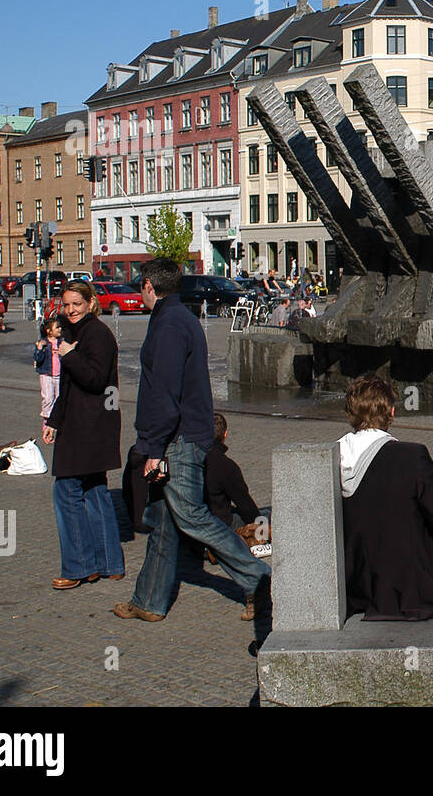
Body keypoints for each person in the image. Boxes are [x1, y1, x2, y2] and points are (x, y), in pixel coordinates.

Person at [114, 258, 271, 624]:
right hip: (183, 434)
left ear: (150, 285)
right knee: (165, 521)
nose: (140, 292)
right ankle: (149, 600)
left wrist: (153, 449)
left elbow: (165, 394)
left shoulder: (168, 324)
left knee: (192, 517)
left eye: (141, 286)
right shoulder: (181, 317)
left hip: (178, 439)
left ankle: (260, 580)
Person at [338, 376, 433, 620]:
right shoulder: (412, 455)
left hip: (357, 586)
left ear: (349, 413)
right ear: (392, 413)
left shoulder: (332, 456)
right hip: (411, 591)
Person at [42, 281, 125, 590]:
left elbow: (93, 379)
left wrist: (67, 354)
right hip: (85, 423)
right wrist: (54, 420)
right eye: (66, 304)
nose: (70, 310)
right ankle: (108, 564)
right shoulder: (79, 333)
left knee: (67, 491)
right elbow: (69, 387)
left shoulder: (97, 334)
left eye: (76, 303)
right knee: (94, 490)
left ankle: (79, 567)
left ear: (91, 303)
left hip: (90, 426)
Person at [204, 412, 262, 533]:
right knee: (268, 514)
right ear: (225, 434)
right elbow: (245, 504)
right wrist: (261, 526)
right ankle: (264, 546)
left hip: (200, 519)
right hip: (221, 523)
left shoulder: (194, 458)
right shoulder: (225, 465)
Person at [34, 316, 63, 424]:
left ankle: (57, 420)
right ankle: (47, 421)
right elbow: (38, 359)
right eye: (57, 328)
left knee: (59, 398)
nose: (59, 329)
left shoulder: (61, 342)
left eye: (60, 327)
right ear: (49, 331)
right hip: (46, 375)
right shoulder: (43, 343)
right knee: (48, 398)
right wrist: (39, 348)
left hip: (59, 375)